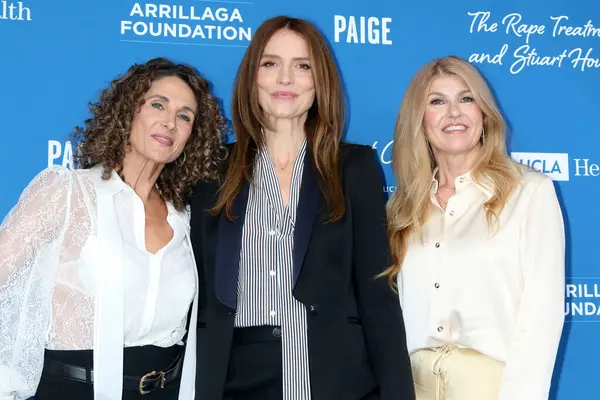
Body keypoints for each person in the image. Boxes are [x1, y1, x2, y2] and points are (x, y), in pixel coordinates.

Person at [190, 15, 415, 400]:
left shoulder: (353, 167)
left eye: (302, 66)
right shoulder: (212, 171)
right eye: (270, 63)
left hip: (335, 378)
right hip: (235, 380)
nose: (285, 79)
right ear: (251, 77)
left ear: (319, 81)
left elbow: (377, 296)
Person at [0, 57, 227, 400]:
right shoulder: (67, 193)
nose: (170, 122)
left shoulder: (185, 217)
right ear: (128, 111)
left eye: (185, 116)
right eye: (158, 105)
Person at [383, 55, 565, 399]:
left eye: (466, 98)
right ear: (419, 119)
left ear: (483, 113)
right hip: (414, 386)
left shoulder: (529, 192)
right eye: (437, 101)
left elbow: (542, 314)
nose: (454, 112)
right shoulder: (403, 208)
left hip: (492, 387)